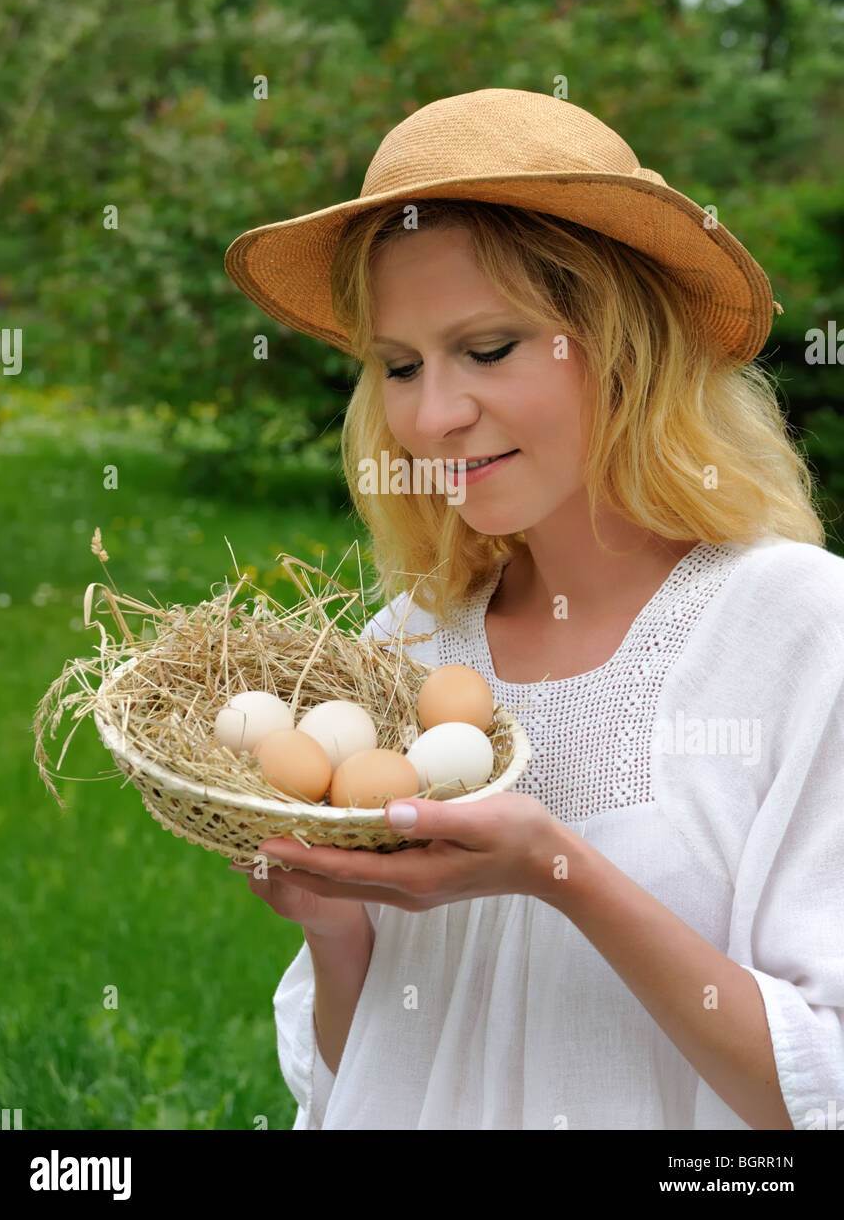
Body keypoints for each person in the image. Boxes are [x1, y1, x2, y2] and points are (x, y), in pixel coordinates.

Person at [224, 89, 844, 1130]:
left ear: (622, 343)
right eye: (401, 365)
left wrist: (560, 871)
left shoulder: (798, 632)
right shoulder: (405, 653)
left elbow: (817, 1088)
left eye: (490, 347)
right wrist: (338, 928)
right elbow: (354, 1081)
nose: (434, 414)